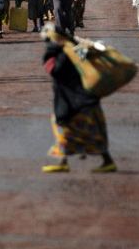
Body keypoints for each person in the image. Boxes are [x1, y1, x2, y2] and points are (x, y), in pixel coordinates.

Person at [41, 31, 117, 174]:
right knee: (92, 133)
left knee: (65, 130)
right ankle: (107, 161)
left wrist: (51, 52)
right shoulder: (76, 50)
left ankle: (64, 162)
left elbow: (54, 69)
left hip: (77, 103)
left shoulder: (64, 55)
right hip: (86, 100)